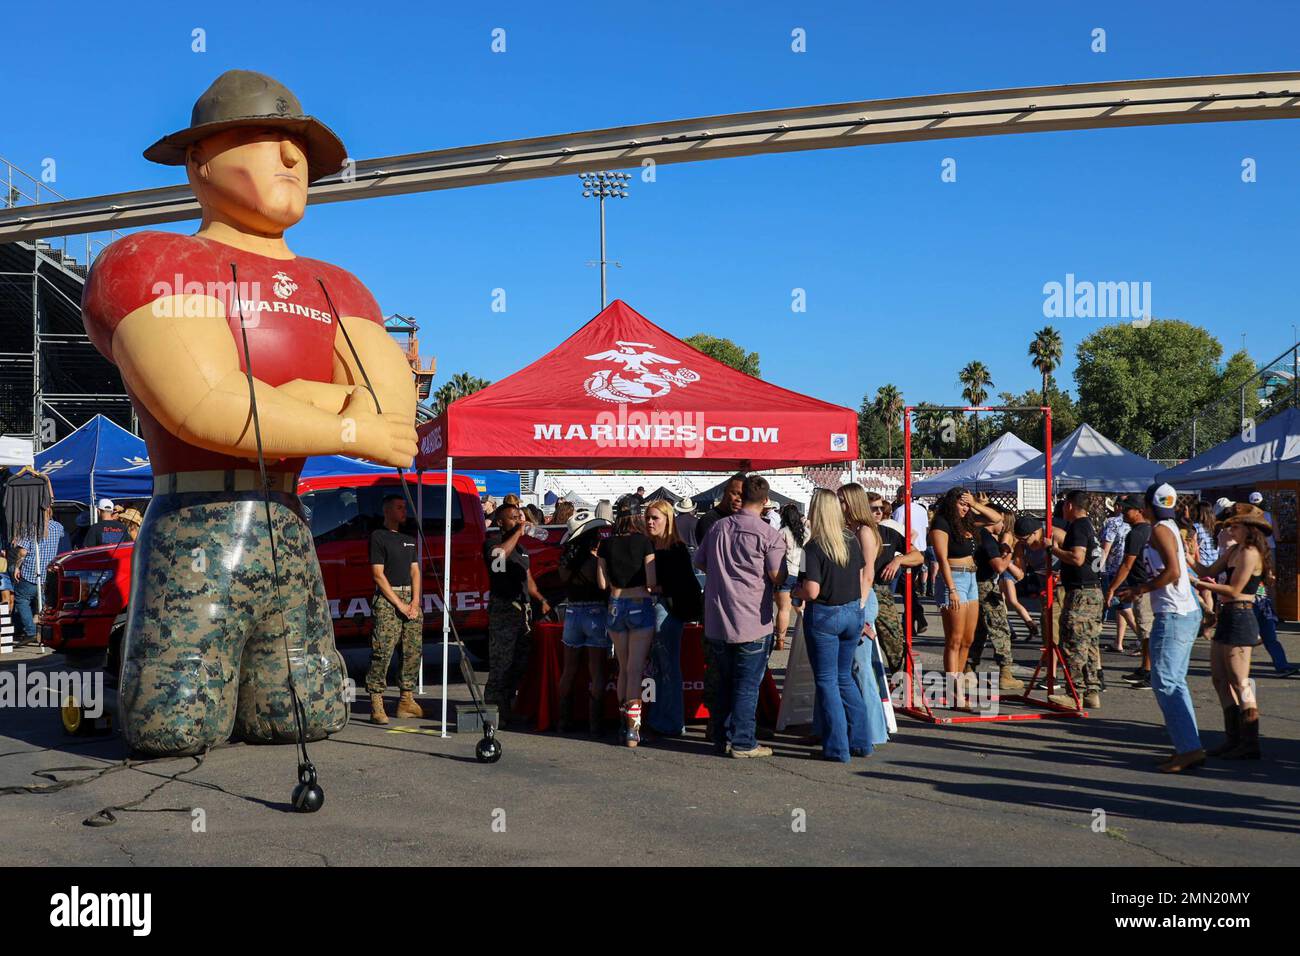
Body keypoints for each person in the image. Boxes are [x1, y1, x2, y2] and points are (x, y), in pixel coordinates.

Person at [694, 474, 786, 758]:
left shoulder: (718, 527)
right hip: (751, 621)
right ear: (766, 502)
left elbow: (700, 562)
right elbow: (776, 576)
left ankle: (720, 737)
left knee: (722, 682)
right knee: (747, 686)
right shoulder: (770, 535)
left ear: (740, 496)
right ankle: (744, 741)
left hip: (718, 618)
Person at [1117, 483, 1204, 773]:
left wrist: (1141, 588)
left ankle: (1189, 749)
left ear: (1148, 506)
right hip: (1180, 612)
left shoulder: (1161, 530)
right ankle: (1188, 746)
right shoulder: (1168, 526)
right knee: (1174, 682)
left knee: (1166, 681)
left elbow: (1174, 572)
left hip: (1174, 614)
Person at [1190, 503, 1271, 760]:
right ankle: (1233, 738)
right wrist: (1190, 558)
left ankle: (1249, 741)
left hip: (1241, 614)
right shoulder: (1235, 550)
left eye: (1235, 525)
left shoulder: (1250, 553)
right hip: (1228, 615)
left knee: (1240, 680)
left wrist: (1198, 583)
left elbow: (1235, 590)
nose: (1230, 529)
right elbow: (1209, 571)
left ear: (1249, 529)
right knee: (1219, 678)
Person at [796, 490, 873, 761]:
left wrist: (797, 591)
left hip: (826, 615)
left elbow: (812, 590)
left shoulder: (812, 548)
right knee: (844, 679)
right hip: (853, 612)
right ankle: (862, 741)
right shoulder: (850, 540)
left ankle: (838, 747)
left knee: (828, 682)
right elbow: (863, 572)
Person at [482, 503, 551, 725]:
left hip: (522, 610)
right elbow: (500, 557)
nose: (518, 520)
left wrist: (541, 599)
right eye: (512, 517)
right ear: (501, 522)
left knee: (520, 662)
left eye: (519, 516)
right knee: (501, 663)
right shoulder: (493, 544)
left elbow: (528, 579)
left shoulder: (521, 550)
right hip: (503, 608)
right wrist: (518, 533)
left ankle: (509, 705)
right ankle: (493, 713)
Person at [597, 512, 657, 746]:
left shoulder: (606, 544)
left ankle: (624, 725)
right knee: (635, 669)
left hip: (615, 604)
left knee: (623, 668)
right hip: (639, 602)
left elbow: (601, 583)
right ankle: (634, 731)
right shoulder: (644, 542)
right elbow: (651, 581)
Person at [644, 500, 702, 737]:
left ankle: (671, 720)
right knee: (658, 669)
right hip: (660, 610)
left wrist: (656, 587)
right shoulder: (652, 546)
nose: (649, 521)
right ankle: (661, 717)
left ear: (667, 520)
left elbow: (681, 583)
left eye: (655, 518)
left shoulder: (674, 549)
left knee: (667, 668)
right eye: (647, 517)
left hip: (667, 612)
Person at [365, 494, 424, 724]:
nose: (404, 511)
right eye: (399, 508)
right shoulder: (378, 537)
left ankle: (406, 700)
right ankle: (376, 702)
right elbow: (378, 575)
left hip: (410, 597)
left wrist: (415, 602)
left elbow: (416, 571)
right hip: (389, 599)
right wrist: (399, 604)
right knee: (383, 650)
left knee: (412, 650)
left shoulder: (409, 539)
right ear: (387, 511)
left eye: (404, 507)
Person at [837, 483, 888, 744]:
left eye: (842, 501)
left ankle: (873, 731)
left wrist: (860, 613)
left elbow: (868, 575)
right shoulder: (850, 530)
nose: (839, 505)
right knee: (851, 668)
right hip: (853, 600)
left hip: (861, 601)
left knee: (861, 668)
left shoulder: (865, 531)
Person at [1047, 490, 1105, 710]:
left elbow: (1077, 558)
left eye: (1064, 505)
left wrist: (1053, 549)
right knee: (1090, 644)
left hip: (1082, 594)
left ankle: (1075, 694)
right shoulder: (1090, 526)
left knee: (1073, 643)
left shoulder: (1079, 526)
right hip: (1093, 590)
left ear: (1070, 506)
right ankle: (1092, 691)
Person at [556, 513, 611, 735]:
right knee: (596, 671)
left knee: (569, 670)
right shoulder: (594, 561)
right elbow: (604, 586)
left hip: (572, 611)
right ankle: (595, 725)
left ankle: (563, 721)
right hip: (595, 612)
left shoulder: (565, 560)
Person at [930, 487, 981, 709]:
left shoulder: (968, 522)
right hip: (954, 579)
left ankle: (957, 685)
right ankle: (955, 692)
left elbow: (997, 519)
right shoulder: (942, 523)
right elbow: (941, 559)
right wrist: (951, 589)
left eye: (967, 504)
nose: (965, 508)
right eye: (962, 503)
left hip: (971, 579)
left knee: (968, 639)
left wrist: (976, 504)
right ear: (952, 503)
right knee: (955, 639)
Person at [967, 501, 1025, 693]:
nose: (1004, 527)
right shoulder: (987, 538)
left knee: (979, 631)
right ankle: (1005, 673)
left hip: (973, 584)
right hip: (985, 586)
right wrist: (1007, 550)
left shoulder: (977, 534)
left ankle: (968, 670)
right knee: (1000, 628)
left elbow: (1017, 574)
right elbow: (1000, 566)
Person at [868, 492, 923, 673]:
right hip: (856, 591)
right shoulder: (853, 533)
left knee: (894, 640)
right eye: (873, 508)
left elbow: (917, 556)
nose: (878, 512)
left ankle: (903, 682)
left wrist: (898, 560)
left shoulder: (889, 533)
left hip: (881, 591)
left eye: (880, 509)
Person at [1105, 496, 1155, 690]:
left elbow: (1127, 563)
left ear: (1139, 510)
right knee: (1144, 630)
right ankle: (1145, 667)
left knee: (1146, 630)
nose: (1123, 512)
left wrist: (1112, 588)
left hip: (1143, 586)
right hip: (1146, 584)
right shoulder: (1148, 530)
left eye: (1127, 509)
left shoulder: (1136, 533)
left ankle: (1150, 673)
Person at [10, 506, 68, 645]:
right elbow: (61, 537)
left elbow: (22, 552)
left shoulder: (31, 528)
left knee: (21, 599)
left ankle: (30, 631)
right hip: (47, 573)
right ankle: (44, 631)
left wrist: (17, 567)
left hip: (31, 571)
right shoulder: (58, 527)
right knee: (43, 604)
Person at [1099, 496, 1136, 653]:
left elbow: (1105, 549)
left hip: (1114, 570)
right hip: (1131, 569)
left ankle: (1144, 637)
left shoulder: (1113, 523)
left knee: (1121, 607)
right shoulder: (1135, 524)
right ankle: (1118, 642)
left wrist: (1098, 568)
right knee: (1122, 607)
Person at [892, 491, 930, 631]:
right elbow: (925, 529)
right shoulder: (921, 510)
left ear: (902, 496)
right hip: (920, 550)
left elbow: (895, 532)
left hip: (907, 551)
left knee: (907, 588)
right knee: (908, 588)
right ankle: (910, 621)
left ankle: (917, 615)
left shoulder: (900, 511)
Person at [774, 503, 806, 651]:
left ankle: (780, 640)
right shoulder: (806, 532)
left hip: (786, 573)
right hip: (801, 572)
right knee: (800, 608)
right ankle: (806, 636)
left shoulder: (782, 532)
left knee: (783, 609)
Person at [694, 474, 744, 546]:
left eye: (743, 496)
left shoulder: (742, 519)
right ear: (725, 491)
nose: (739, 499)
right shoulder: (709, 520)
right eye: (735, 493)